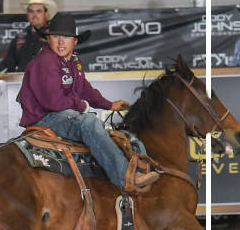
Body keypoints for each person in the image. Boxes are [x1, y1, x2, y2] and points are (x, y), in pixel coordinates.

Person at [19, 12, 157, 190]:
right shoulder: (45, 62)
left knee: (94, 124)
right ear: (48, 39)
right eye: (56, 36)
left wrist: (108, 104)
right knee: (89, 122)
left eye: (66, 37)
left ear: (75, 41)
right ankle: (125, 177)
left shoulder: (73, 60)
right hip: (45, 118)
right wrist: (83, 106)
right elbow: (54, 103)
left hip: (60, 114)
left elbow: (83, 86)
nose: (61, 42)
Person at [0, 0, 57, 73]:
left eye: (39, 11)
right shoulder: (20, 38)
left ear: (46, 14)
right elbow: (6, 65)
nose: (34, 15)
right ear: (28, 14)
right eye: (31, 11)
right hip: (23, 83)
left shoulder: (55, 37)